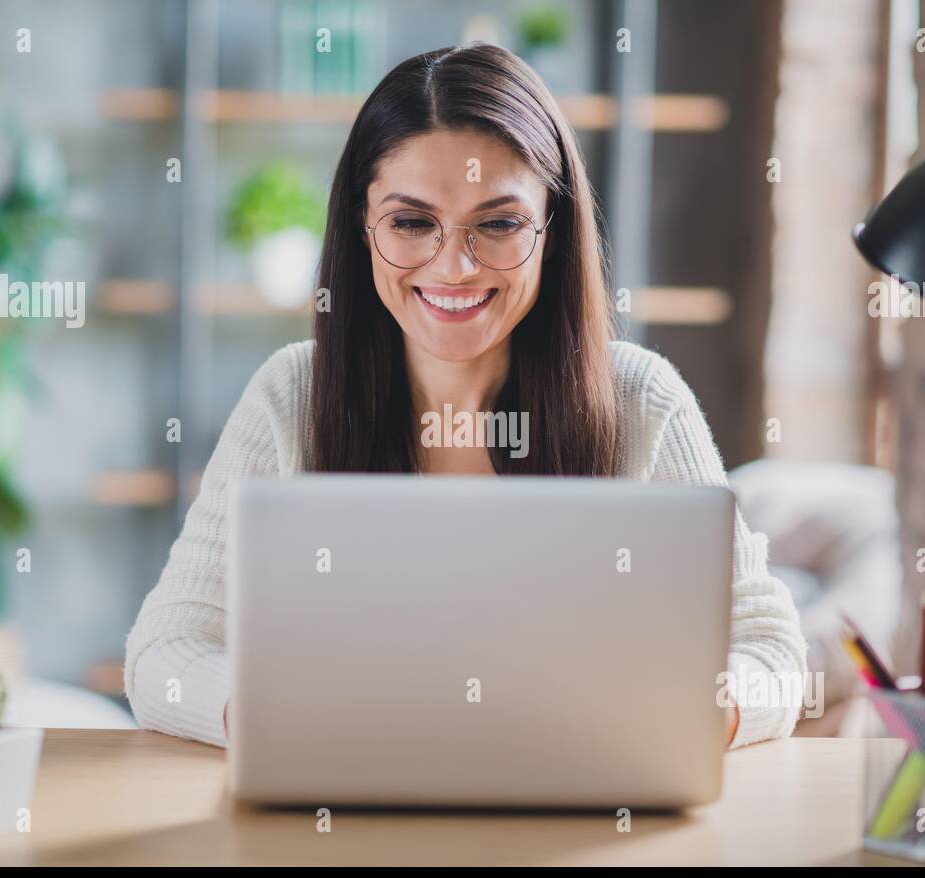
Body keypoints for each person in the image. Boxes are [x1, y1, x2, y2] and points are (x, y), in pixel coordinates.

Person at [124, 42, 806, 752]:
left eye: (500, 223)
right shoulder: (290, 394)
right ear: (362, 230)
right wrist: (271, 719)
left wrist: (688, 714)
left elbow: (773, 654)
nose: (454, 265)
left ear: (553, 228)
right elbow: (162, 655)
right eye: (412, 223)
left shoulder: (642, 400)